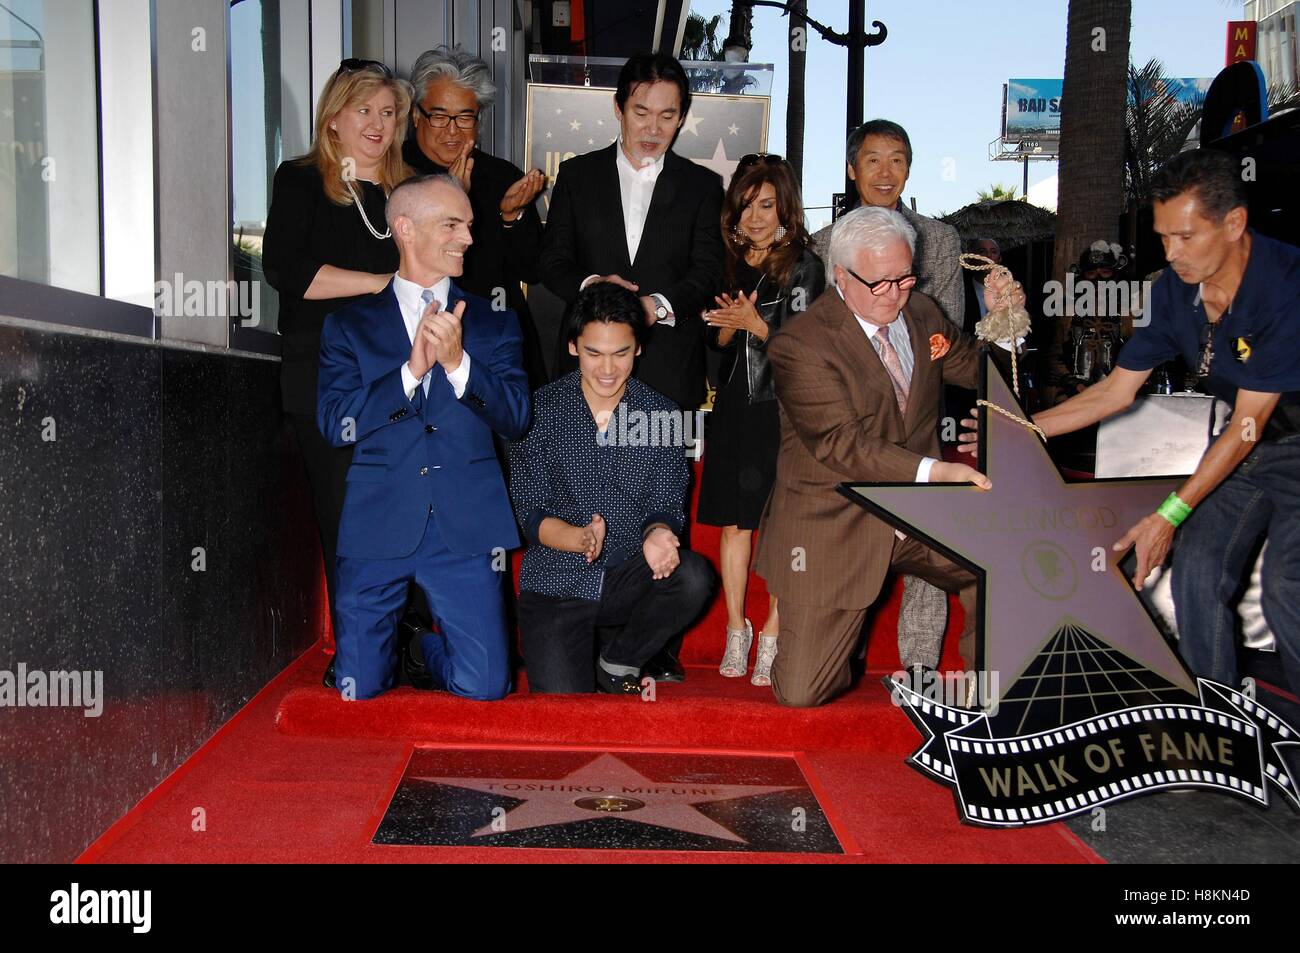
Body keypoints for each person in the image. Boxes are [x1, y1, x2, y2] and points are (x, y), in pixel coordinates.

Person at [963, 149, 1300, 695]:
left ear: (1234, 224)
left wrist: (1169, 512)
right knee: (1196, 571)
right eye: (1164, 237)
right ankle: (1216, 723)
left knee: (1288, 584)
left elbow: (1247, 424)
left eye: (1186, 238)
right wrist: (1023, 429)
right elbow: (1117, 390)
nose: (1172, 254)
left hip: (1275, 438)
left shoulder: (1285, 286)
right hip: (1246, 444)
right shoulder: (1173, 290)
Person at [755, 205, 993, 708]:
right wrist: (935, 471)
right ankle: (836, 641)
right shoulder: (801, 343)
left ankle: (990, 690)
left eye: (905, 278)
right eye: (879, 283)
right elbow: (840, 443)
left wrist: (1007, 326)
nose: (896, 294)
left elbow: (978, 369)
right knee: (801, 693)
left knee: (1000, 559)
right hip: (836, 515)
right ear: (840, 276)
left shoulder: (923, 312)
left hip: (918, 515)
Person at [315, 174, 531, 700]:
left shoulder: (496, 321)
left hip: (465, 527)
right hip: (377, 523)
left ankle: (421, 651)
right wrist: (408, 375)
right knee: (356, 691)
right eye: (452, 224)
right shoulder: (349, 325)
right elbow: (334, 423)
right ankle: (392, 655)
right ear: (405, 229)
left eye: (470, 226)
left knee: (486, 689)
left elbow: (517, 418)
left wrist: (460, 366)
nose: (468, 238)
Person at [263, 59, 410, 650]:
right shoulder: (300, 180)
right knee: (345, 512)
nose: (378, 123)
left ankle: (407, 638)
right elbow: (286, 271)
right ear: (333, 119)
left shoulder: (411, 191)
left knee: (403, 509)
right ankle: (358, 647)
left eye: (388, 112)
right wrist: (381, 283)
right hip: (323, 378)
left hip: (401, 376)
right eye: (364, 110)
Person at [810, 119, 962, 685]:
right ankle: (839, 660)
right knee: (851, 537)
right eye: (872, 160)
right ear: (852, 170)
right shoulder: (825, 246)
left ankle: (921, 673)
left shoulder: (940, 241)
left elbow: (947, 331)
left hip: (920, 413)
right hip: (851, 419)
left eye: (897, 160)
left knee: (927, 536)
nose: (884, 172)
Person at [507, 283, 714, 694]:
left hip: (626, 576)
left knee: (693, 575)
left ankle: (619, 658)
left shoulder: (661, 413)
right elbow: (530, 512)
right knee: (565, 718)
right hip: (556, 583)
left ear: (637, 348)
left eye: (620, 353)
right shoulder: (538, 411)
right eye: (593, 353)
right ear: (572, 347)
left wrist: (658, 534)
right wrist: (578, 538)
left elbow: (667, 494)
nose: (607, 369)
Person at [698, 154, 825, 686]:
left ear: (786, 208)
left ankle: (772, 630)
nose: (755, 217)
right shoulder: (723, 259)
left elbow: (809, 348)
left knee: (776, 522)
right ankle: (736, 629)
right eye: (747, 205)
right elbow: (710, 339)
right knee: (735, 522)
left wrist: (758, 325)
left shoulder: (805, 265)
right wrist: (729, 331)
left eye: (766, 205)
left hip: (782, 408)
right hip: (732, 406)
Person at [538, 51, 724, 414]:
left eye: (667, 116)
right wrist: (593, 287)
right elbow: (551, 260)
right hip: (586, 374)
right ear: (618, 108)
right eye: (641, 113)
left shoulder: (702, 186)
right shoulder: (578, 176)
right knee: (578, 472)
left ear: (682, 117)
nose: (653, 129)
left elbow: (709, 271)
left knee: (661, 473)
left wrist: (656, 306)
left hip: (668, 374)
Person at [404, 45, 549, 389]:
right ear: (415, 115)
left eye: (465, 117)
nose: (452, 130)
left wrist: (510, 215)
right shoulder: (395, 173)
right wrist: (454, 196)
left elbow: (532, 268)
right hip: (412, 345)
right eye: (439, 116)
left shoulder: (501, 176)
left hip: (494, 348)